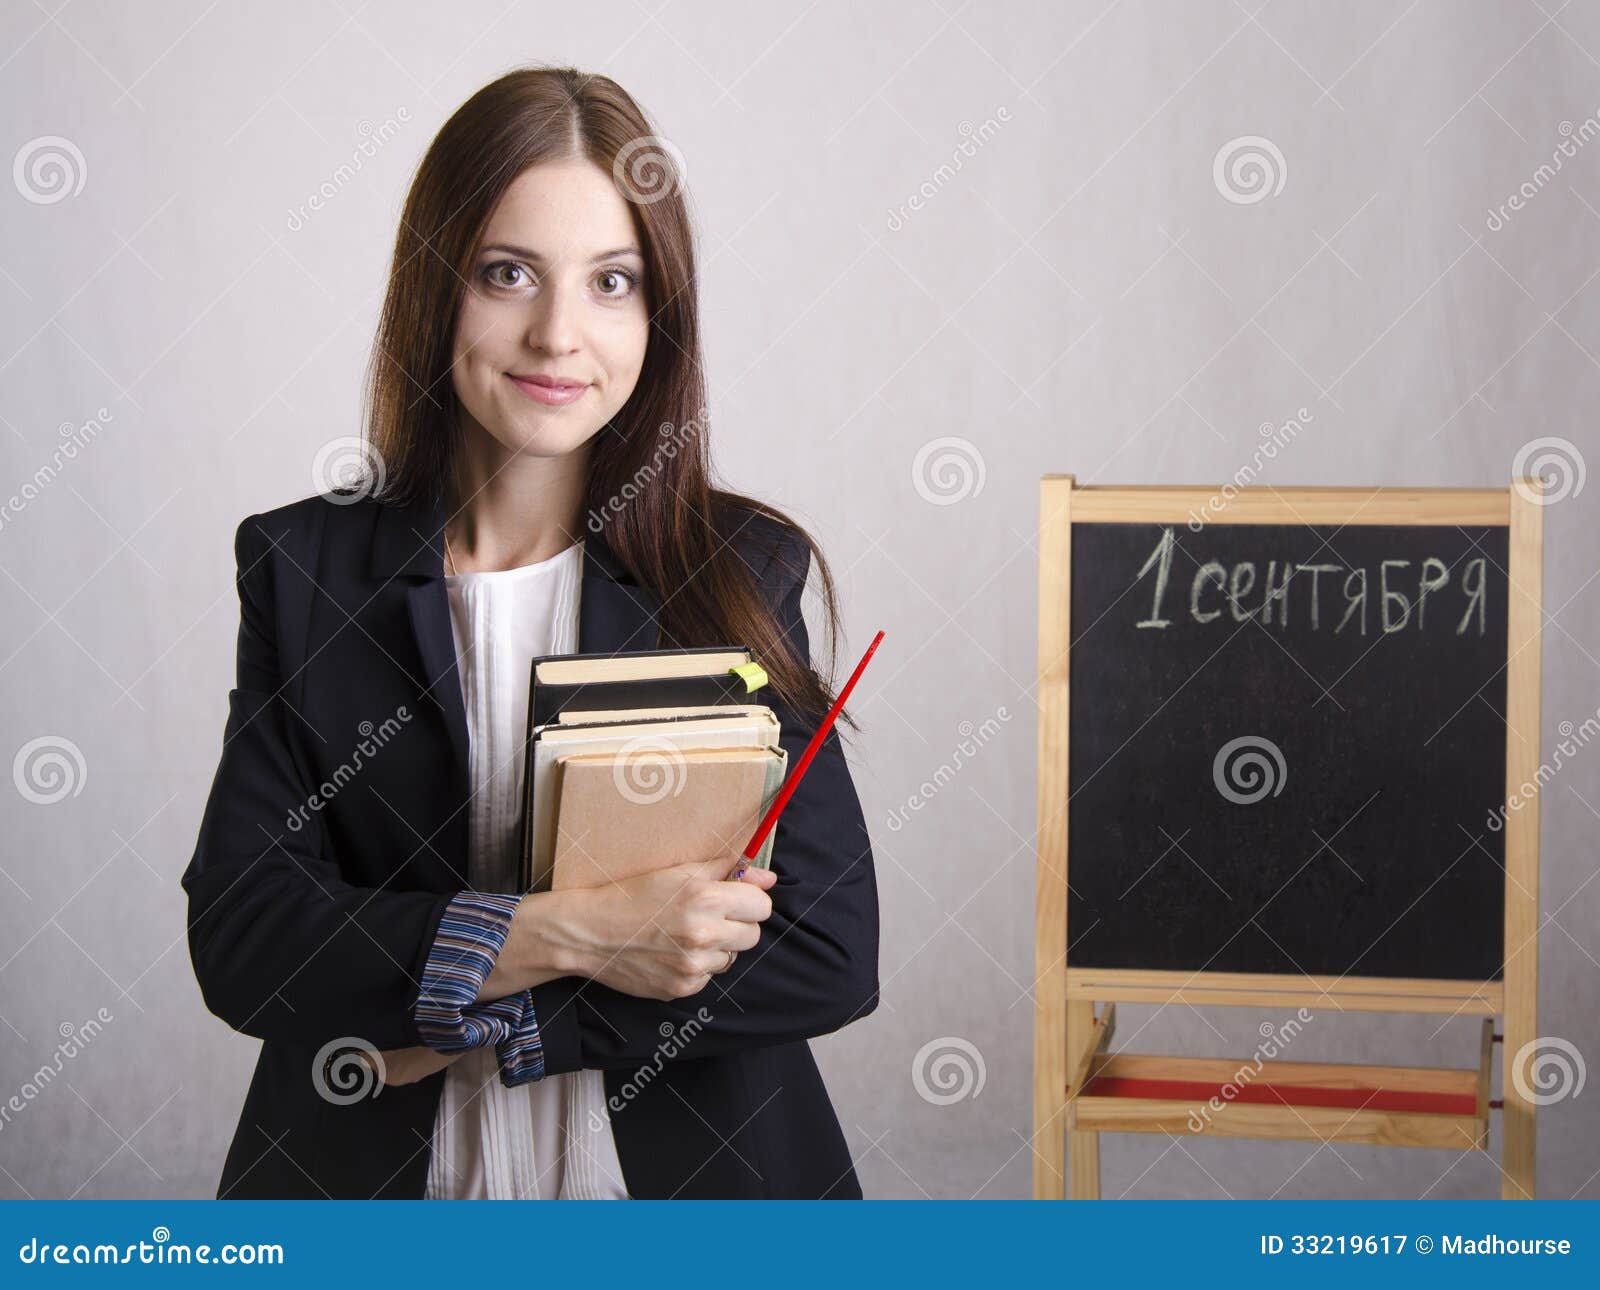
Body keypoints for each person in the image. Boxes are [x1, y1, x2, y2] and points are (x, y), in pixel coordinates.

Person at [181, 66, 879, 1200]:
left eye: (613, 282)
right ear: (437, 289)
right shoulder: (305, 567)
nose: (559, 334)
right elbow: (250, 939)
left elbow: (826, 949)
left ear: (659, 317)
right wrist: (585, 929)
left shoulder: (735, 567)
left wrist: (514, 1025)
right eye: (508, 274)